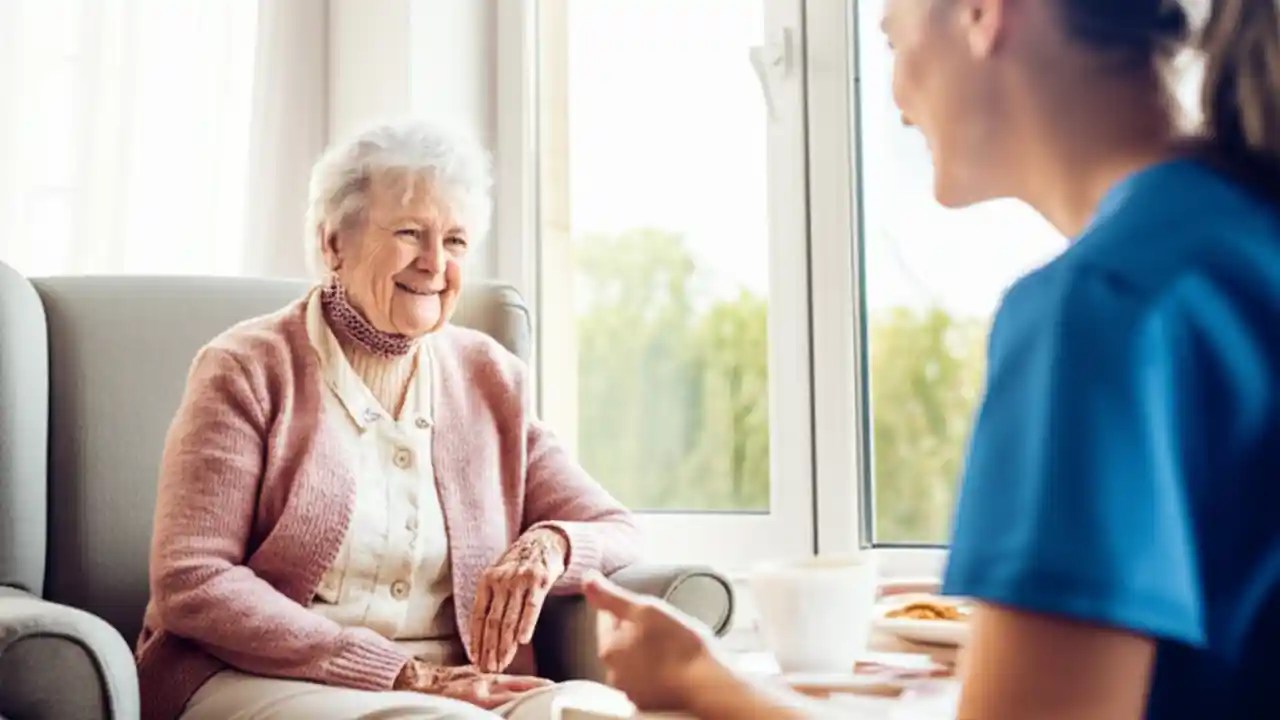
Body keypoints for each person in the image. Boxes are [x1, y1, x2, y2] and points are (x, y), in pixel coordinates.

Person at [585, 0, 1280, 718]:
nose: (895, 98)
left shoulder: (1102, 307)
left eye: (890, 41)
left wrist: (705, 684)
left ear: (984, 14)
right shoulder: (1241, 244)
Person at [133, 119, 640, 720]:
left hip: (464, 686)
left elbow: (614, 526)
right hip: (257, 674)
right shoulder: (245, 368)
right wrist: (403, 673)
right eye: (409, 233)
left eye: (454, 242)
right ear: (332, 245)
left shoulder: (490, 378)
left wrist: (551, 543)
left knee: (604, 712)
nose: (434, 263)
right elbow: (193, 580)